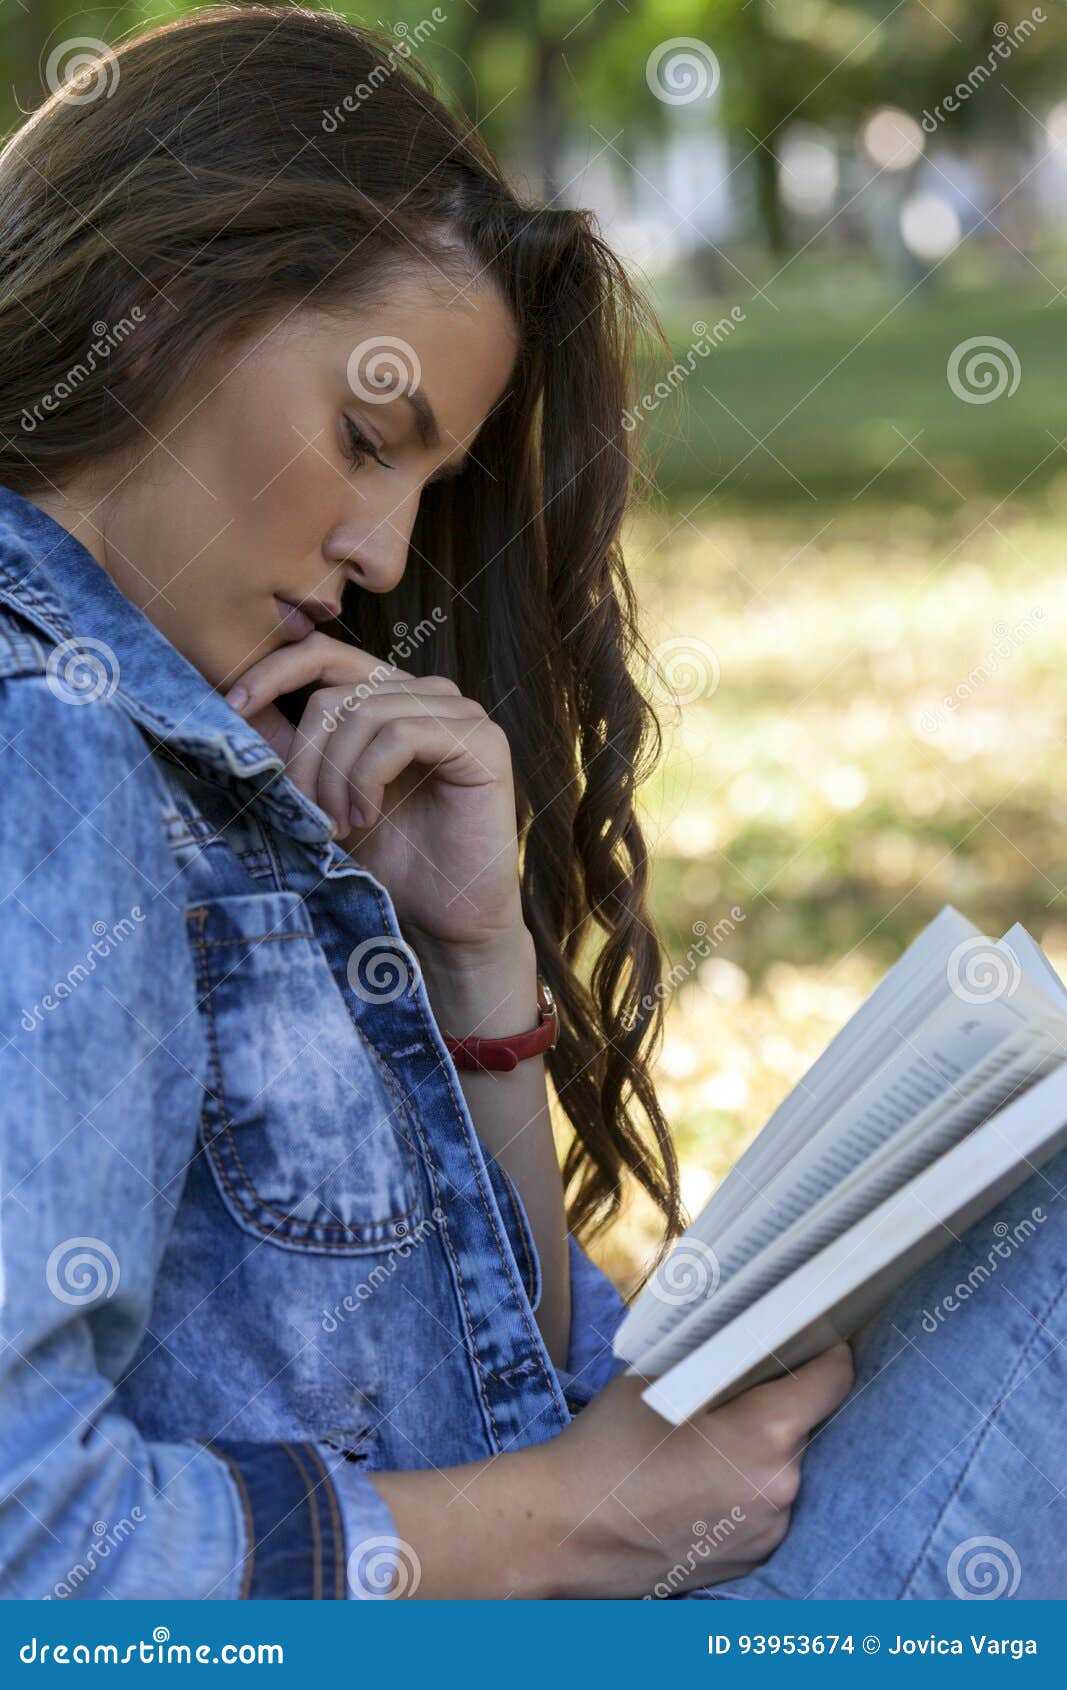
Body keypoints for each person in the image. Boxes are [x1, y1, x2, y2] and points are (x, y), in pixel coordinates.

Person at [0, 7, 1060, 1603]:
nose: (377, 555)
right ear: (159, 303)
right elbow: (34, 1545)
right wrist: (578, 1513)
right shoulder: (51, 748)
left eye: (425, 492)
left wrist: (473, 963)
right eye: (368, 440)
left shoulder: (166, 732)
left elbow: (517, 1364)